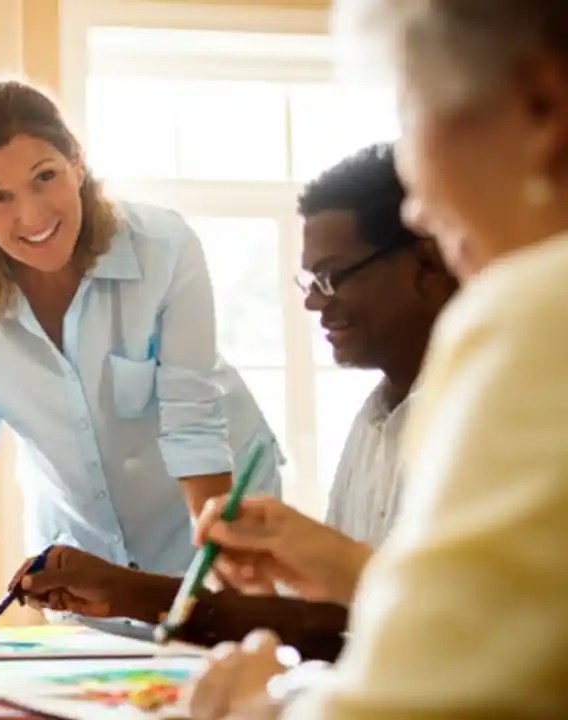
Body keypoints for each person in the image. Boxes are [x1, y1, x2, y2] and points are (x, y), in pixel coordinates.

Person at [188, 0, 568, 717]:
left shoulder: (536, 316)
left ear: (541, 106)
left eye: (412, 111)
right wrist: (347, 567)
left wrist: (257, 704)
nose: (419, 210)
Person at [8, 144, 457, 661]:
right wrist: (126, 594)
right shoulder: (373, 422)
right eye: (309, 282)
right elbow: (335, 625)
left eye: (332, 276)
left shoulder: (484, 417)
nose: (312, 301)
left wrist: (134, 593)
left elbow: (443, 627)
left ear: (426, 262)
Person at [0, 80, 284, 625]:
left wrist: (218, 589)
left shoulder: (163, 246)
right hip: (81, 551)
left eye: (45, 177)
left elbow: (194, 427)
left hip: (207, 518)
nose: (31, 215)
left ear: (77, 164)